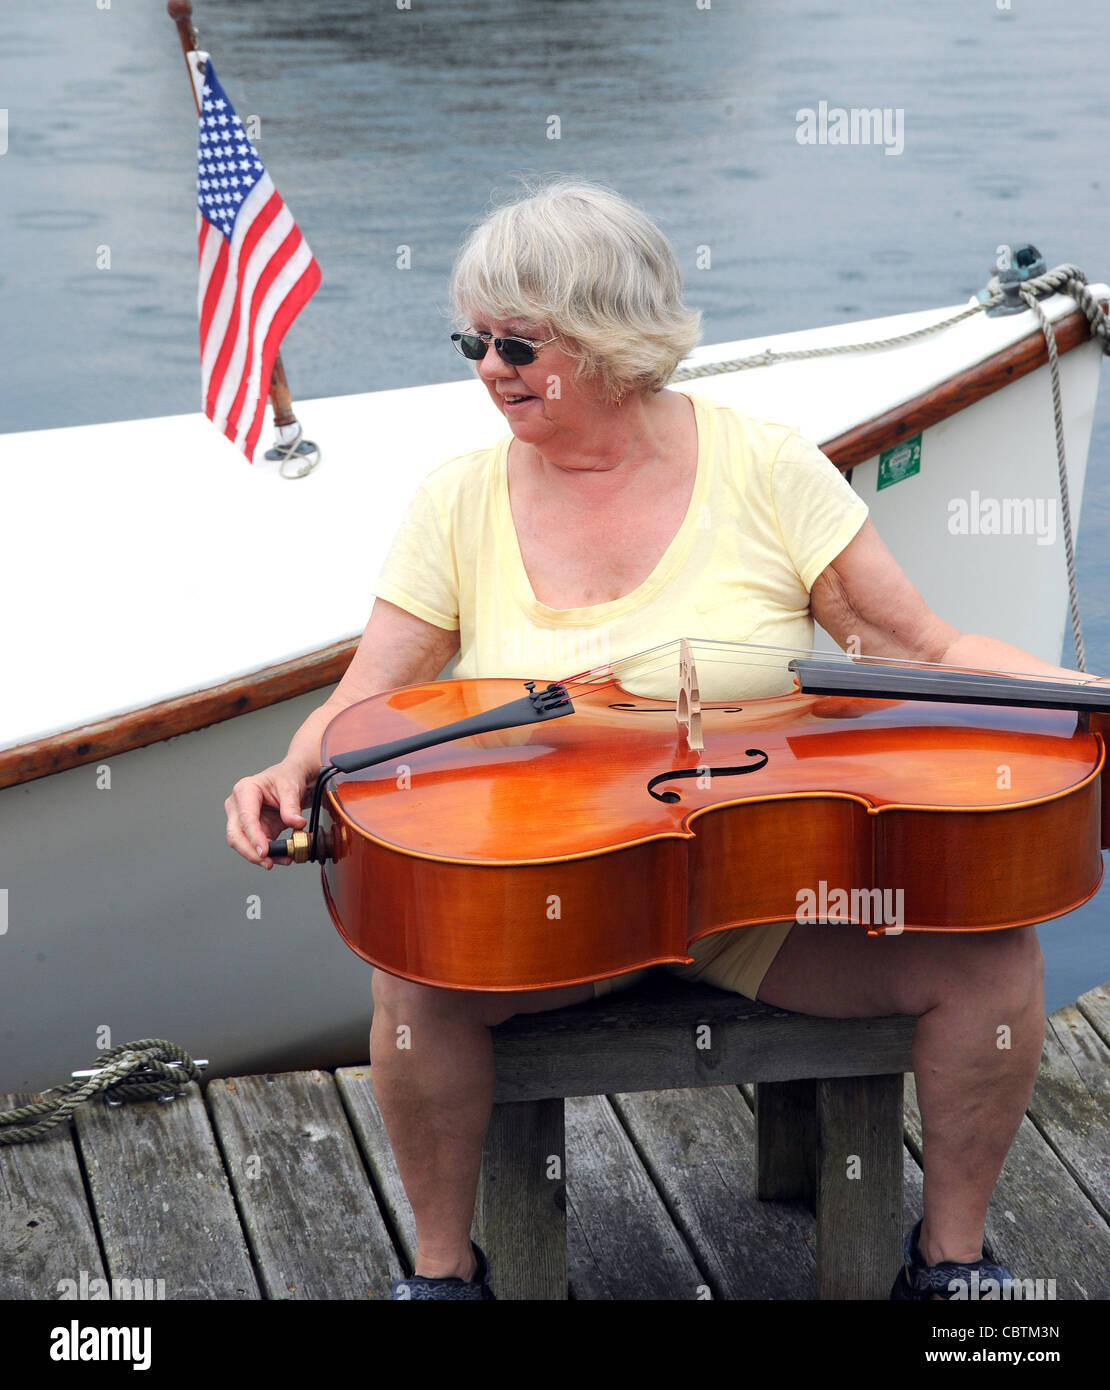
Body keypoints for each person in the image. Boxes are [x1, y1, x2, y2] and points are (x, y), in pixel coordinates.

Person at [225, 177, 1099, 1301]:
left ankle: (951, 1264)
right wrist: (297, 765)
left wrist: (1089, 695)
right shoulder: (456, 500)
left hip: (758, 898)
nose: (488, 366)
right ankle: (445, 1277)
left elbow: (918, 648)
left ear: (610, 339)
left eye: (514, 342)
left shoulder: (766, 466)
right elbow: (371, 692)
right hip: (550, 905)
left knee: (992, 961)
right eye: (472, 341)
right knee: (415, 982)